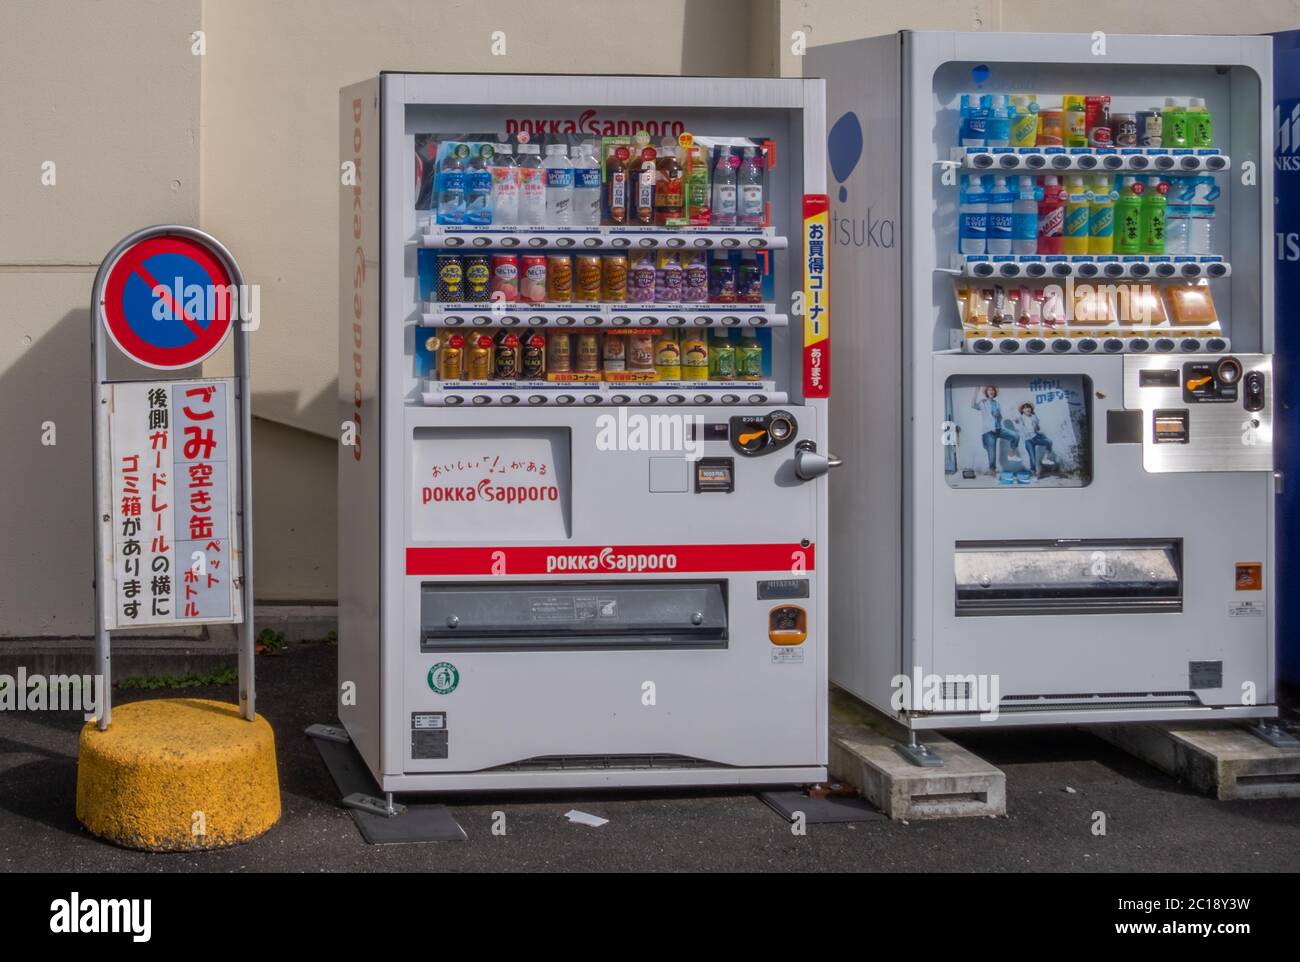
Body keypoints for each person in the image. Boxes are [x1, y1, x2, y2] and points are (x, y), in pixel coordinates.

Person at [972, 385, 1021, 475]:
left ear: (995, 393)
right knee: (992, 454)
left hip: (998, 429)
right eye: (989, 390)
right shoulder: (983, 403)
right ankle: (992, 471)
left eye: (993, 390)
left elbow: (1000, 417)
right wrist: (976, 392)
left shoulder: (997, 404)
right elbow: (973, 405)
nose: (991, 391)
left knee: (1015, 436)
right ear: (986, 393)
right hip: (988, 431)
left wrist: (1000, 415)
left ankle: (1011, 453)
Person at [1012, 401, 1055, 476]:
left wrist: (1037, 426)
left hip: (1035, 437)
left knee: (1049, 442)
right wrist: (1016, 419)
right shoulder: (1021, 417)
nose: (1027, 409)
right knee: (1032, 457)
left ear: (1031, 409)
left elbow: (1037, 428)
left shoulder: (1034, 417)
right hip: (1028, 440)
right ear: (1022, 410)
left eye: (1028, 408)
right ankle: (1033, 473)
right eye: (1025, 408)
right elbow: (1016, 419)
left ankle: (1045, 458)